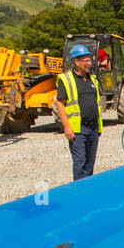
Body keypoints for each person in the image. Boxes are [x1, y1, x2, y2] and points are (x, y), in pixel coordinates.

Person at [53, 43, 103, 180]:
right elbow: (60, 103)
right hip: (77, 129)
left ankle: (88, 191)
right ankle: (79, 193)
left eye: (90, 60)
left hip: (93, 127)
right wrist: (66, 127)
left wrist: (98, 128)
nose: (89, 63)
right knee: (80, 163)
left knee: (90, 164)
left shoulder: (93, 79)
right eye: (86, 60)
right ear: (76, 61)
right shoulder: (66, 79)